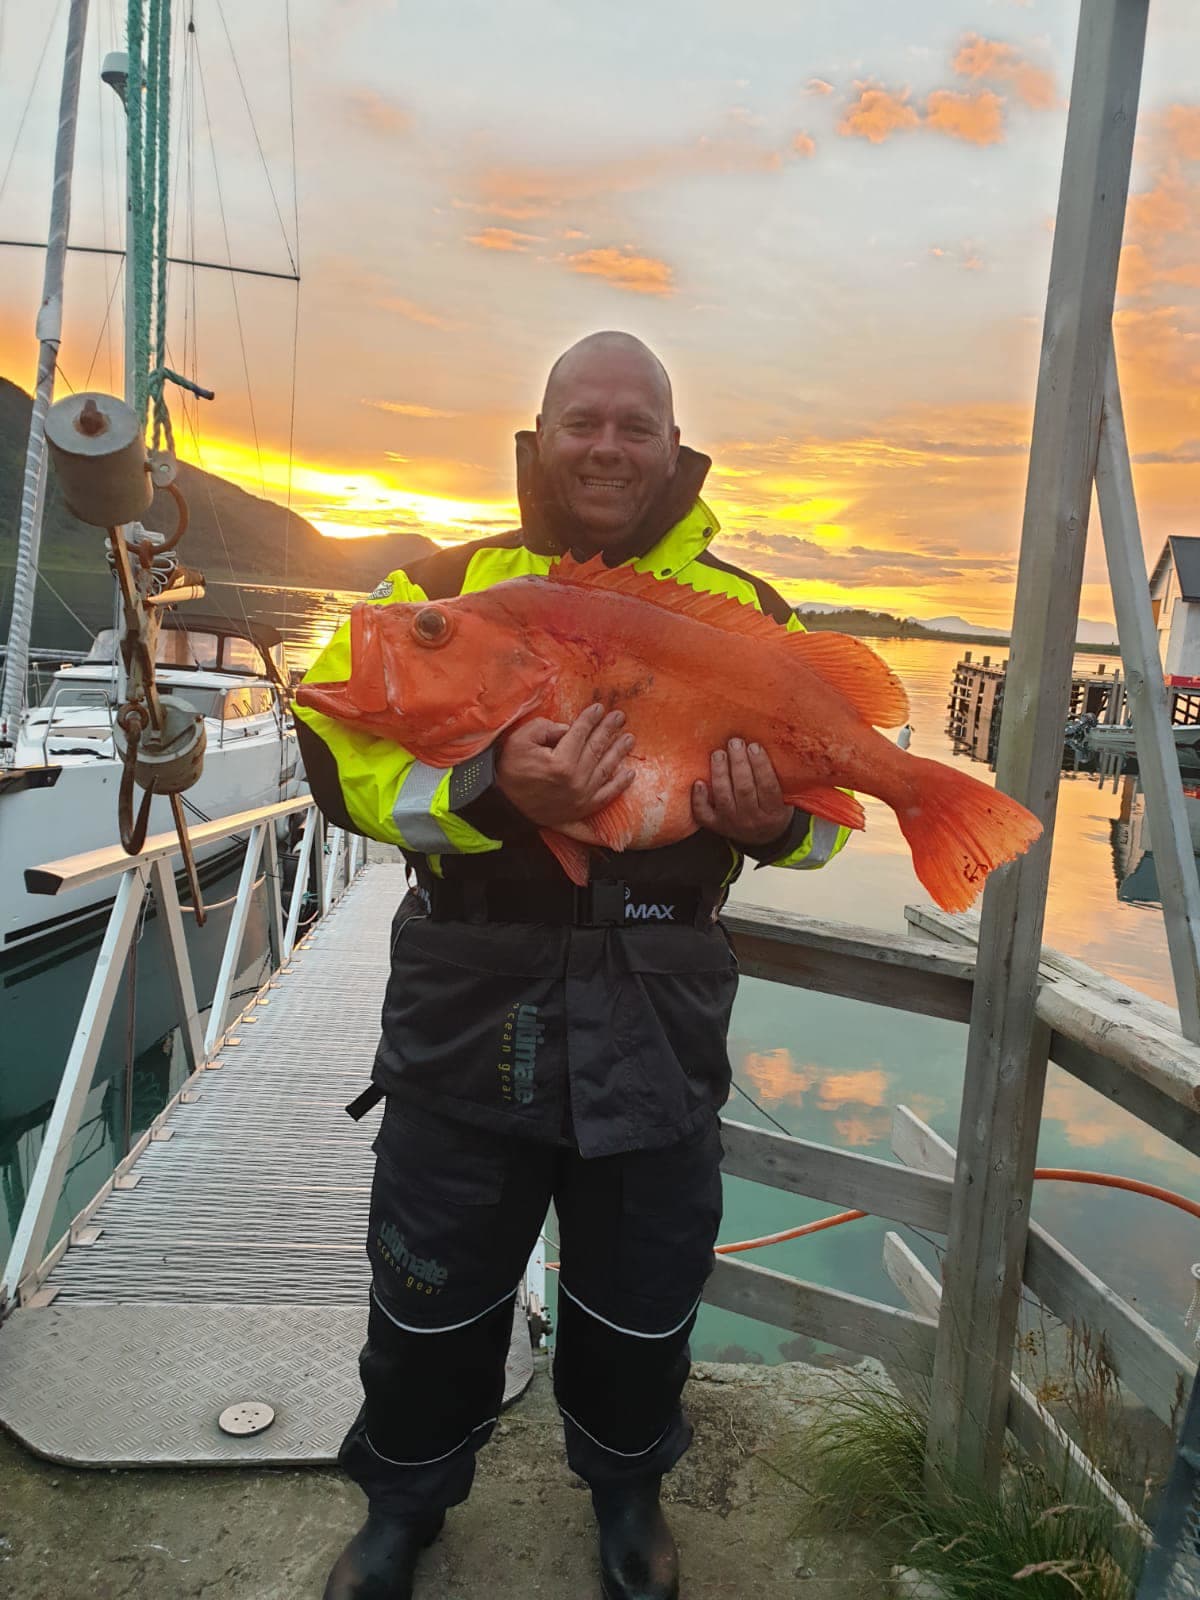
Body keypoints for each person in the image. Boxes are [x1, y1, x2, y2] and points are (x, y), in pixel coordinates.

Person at [295, 332, 851, 1600]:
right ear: (540, 434)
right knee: (429, 1280)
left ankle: (628, 1488)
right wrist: (493, 786)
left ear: (673, 441)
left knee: (640, 1288)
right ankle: (404, 1502)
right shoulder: (441, 585)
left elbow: (823, 819)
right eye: (581, 421)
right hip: (466, 1005)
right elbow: (333, 754)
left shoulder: (755, 616)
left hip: (656, 1011)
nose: (606, 446)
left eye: (634, 424)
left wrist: (773, 821)